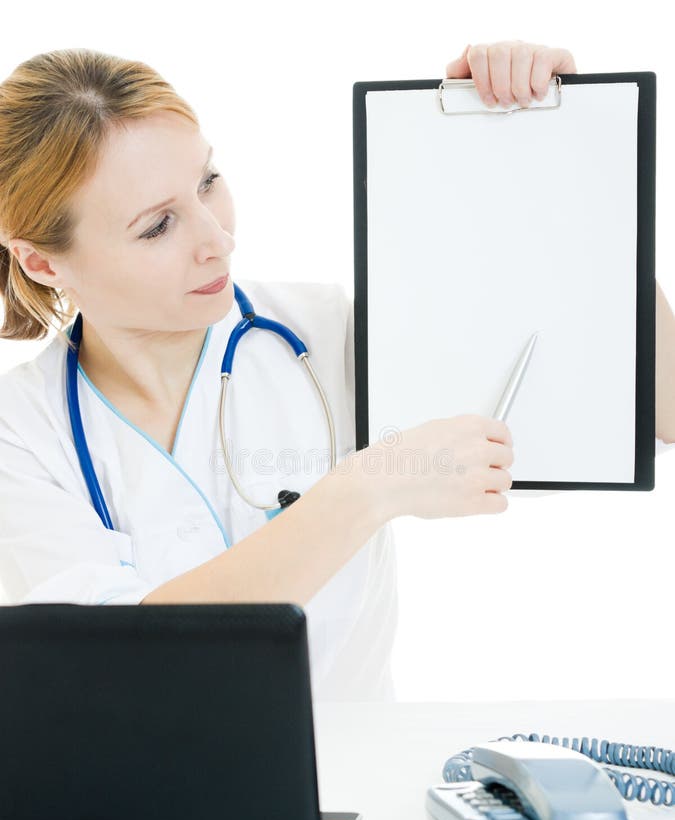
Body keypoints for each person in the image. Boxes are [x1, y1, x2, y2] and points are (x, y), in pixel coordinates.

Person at [0, 42, 671, 701]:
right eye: (157, 227)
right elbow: (125, 665)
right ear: (42, 263)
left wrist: (568, 152)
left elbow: (656, 411)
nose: (217, 239)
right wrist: (365, 489)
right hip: (129, 797)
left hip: (353, 787)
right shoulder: (21, 430)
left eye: (208, 182)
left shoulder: (327, 333)